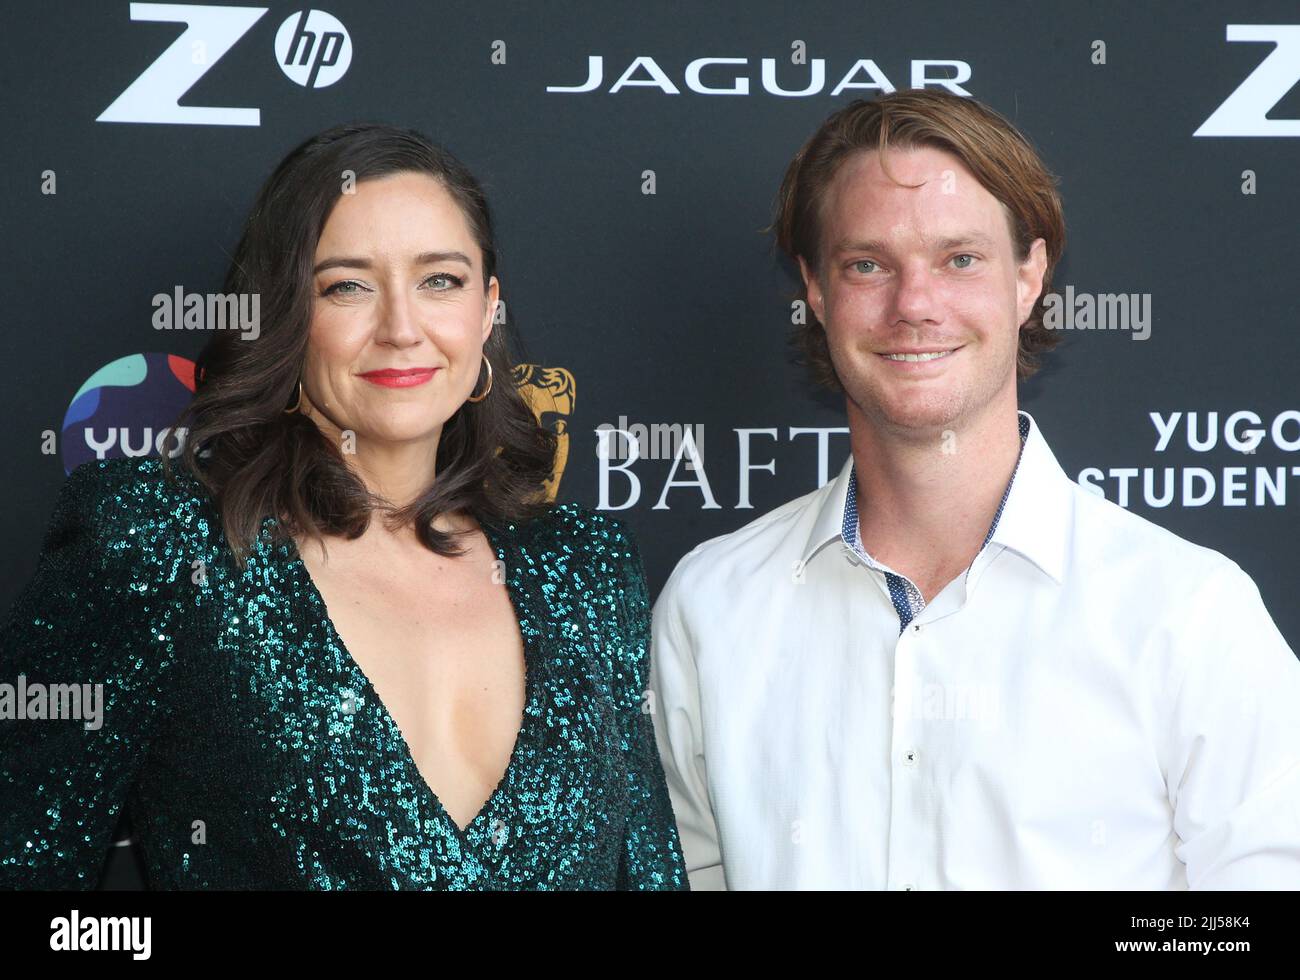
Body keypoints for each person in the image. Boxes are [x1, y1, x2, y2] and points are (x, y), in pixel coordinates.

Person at [0, 123, 686, 891]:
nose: (401, 328)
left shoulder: (585, 569)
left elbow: (652, 874)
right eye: (347, 285)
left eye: (440, 281)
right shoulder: (157, 545)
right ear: (284, 317)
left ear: (489, 309)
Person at [647, 89, 1300, 889]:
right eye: (867, 264)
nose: (914, 305)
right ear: (815, 291)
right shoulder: (712, 606)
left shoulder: (1188, 614)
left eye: (960, 259)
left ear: (1029, 277)